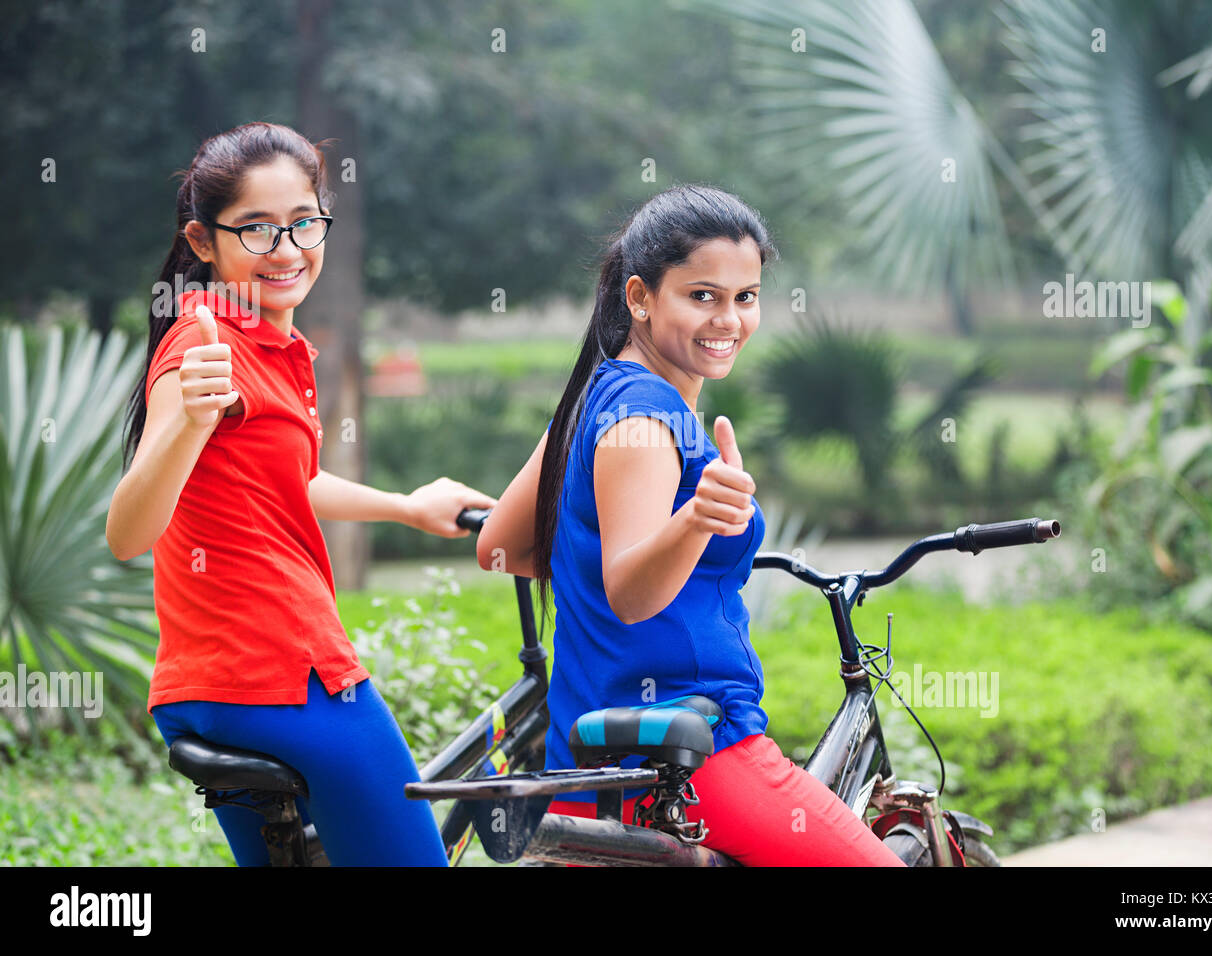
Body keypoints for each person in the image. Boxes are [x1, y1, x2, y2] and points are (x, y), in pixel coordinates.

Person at [477, 184, 905, 866]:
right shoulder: (649, 417)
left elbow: (500, 548)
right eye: (701, 295)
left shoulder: (599, 391)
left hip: (591, 757)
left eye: (746, 297)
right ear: (640, 297)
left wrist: (598, 531)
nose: (727, 319)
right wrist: (697, 521)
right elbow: (631, 593)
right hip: (690, 759)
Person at [107, 122, 496, 866]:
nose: (286, 250)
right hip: (284, 677)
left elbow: (285, 481)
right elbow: (129, 530)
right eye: (255, 229)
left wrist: (406, 506)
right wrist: (187, 423)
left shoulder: (268, 341)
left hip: (206, 686)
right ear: (202, 240)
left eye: (303, 222)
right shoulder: (204, 347)